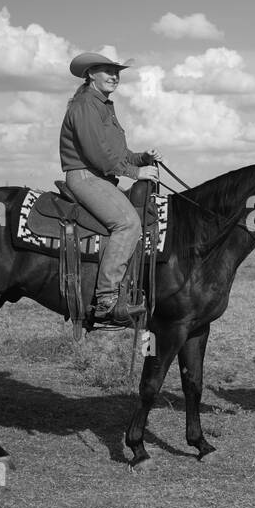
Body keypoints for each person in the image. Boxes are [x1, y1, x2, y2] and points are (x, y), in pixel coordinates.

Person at [59, 53, 161, 326]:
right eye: (107, 71)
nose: (114, 76)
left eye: (117, 72)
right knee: (128, 224)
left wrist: (141, 158)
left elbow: (117, 151)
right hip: (85, 177)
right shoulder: (84, 106)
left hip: (100, 178)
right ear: (91, 74)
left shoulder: (103, 106)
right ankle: (106, 299)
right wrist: (135, 173)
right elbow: (98, 155)